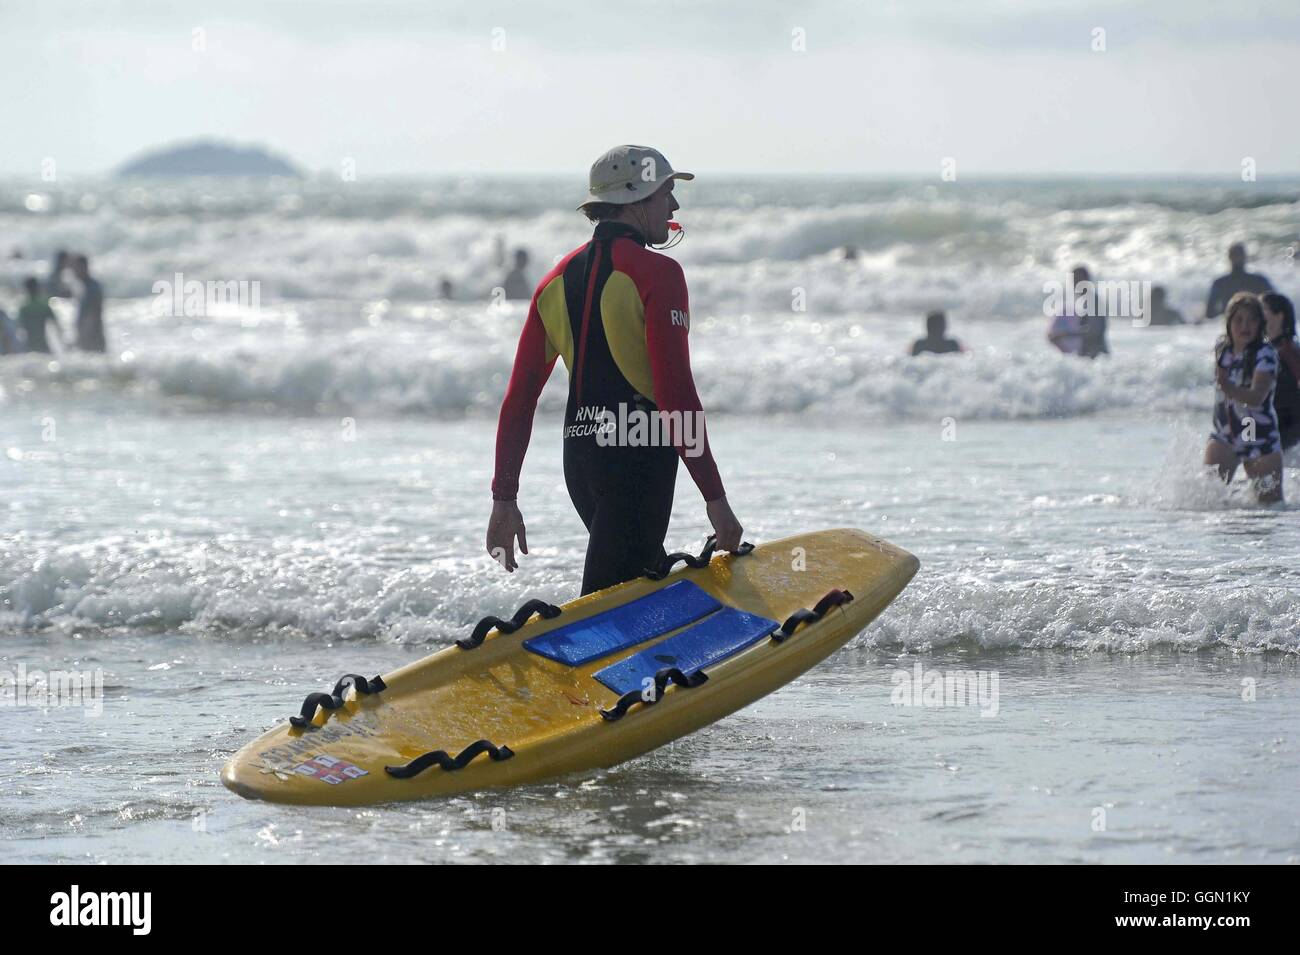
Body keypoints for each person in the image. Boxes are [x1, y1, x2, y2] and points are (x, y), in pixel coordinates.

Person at [486, 145, 743, 595]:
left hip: (581, 460)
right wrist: (716, 500)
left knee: (632, 582)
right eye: (667, 193)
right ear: (636, 200)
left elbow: (519, 398)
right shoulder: (658, 274)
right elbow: (676, 394)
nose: (675, 205)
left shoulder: (553, 281)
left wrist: (504, 498)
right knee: (608, 605)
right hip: (635, 458)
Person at [1204, 292, 1283, 503]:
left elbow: (1257, 397)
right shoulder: (1223, 350)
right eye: (1238, 320)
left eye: (1251, 320)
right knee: (1207, 503)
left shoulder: (1265, 354)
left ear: (1260, 324)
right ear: (1229, 323)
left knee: (1271, 508)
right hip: (1226, 435)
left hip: (1260, 437)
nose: (1244, 326)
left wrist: (1227, 386)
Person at [1261, 292, 1300, 450]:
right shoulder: (1268, 350)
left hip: (1289, 436)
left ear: (1279, 316)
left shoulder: (1288, 350)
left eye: (1262, 311)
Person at [1206, 243, 1272, 319]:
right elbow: (1209, 313)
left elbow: (1274, 303)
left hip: (1235, 322)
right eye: (1235, 255)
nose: (1237, 258)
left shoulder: (1258, 280)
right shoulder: (1258, 280)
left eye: (1239, 255)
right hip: (1246, 322)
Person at [70, 254, 106, 352]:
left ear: (83, 267)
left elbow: (93, 315)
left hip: (92, 337)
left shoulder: (92, 288)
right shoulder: (84, 287)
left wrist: (83, 337)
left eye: (75, 268)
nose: (73, 272)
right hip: (89, 337)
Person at [17, 277, 62, 353]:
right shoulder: (44, 306)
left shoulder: (24, 308)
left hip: (29, 346)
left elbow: (20, 329)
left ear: (26, 289)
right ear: (38, 288)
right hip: (43, 345)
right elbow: (57, 325)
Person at [1075, 266, 1109, 358]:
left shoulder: (1092, 300)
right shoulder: (1086, 300)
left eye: (1077, 279)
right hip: (1093, 355)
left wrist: (1068, 334)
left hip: (1095, 355)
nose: (1074, 283)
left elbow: (1094, 330)